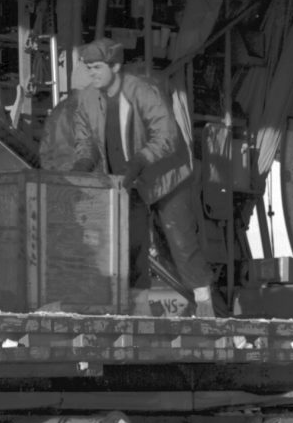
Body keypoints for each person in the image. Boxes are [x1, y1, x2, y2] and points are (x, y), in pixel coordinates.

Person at [39, 39, 216, 314]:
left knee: (180, 240)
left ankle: (205, 303)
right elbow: (86, 143)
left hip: (165, 177)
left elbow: (167, 135)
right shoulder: (87, 100)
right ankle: (138, 307)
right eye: (89, 69)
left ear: (115, 67)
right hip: (127, 183)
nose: (92, 74)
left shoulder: (142, 92)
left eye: (97, 68)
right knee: (131, 245)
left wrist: (139, 161)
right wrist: (82, 166)